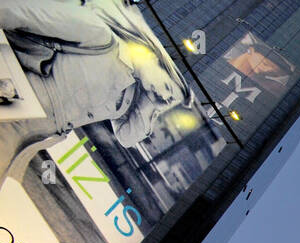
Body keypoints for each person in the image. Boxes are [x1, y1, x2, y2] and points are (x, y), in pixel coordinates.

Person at [0, 0, 197, 184]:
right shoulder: (100, 37)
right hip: (18, 109)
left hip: (32, 134)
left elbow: (127, 137)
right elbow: (23, 14)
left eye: (168, 101)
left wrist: (153, 105)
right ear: (158, 60)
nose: (164, 97)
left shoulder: (130, 94)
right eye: (169, 89)